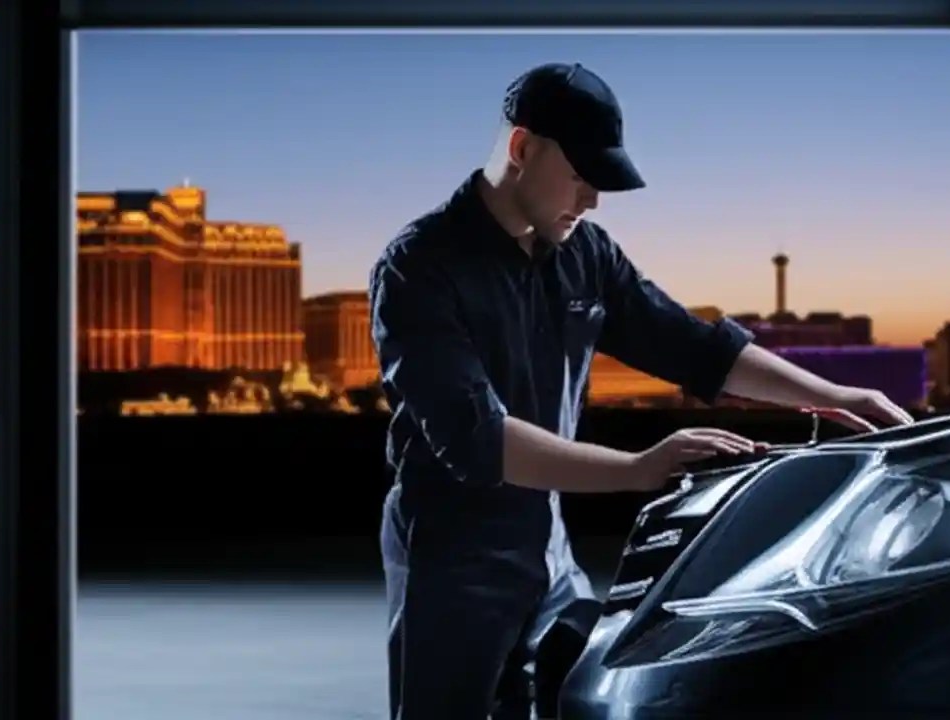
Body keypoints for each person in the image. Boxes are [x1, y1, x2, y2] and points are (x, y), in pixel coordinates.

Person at [369, 61, 914, 720]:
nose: (592, 200)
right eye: (579, 178)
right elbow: (475, 440)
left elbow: (695, 347)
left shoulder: (586, 254)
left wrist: (833, 394)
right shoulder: (418, 267)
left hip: (550, 553)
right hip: (451, 559)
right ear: (521, 148)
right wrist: (639, 468)